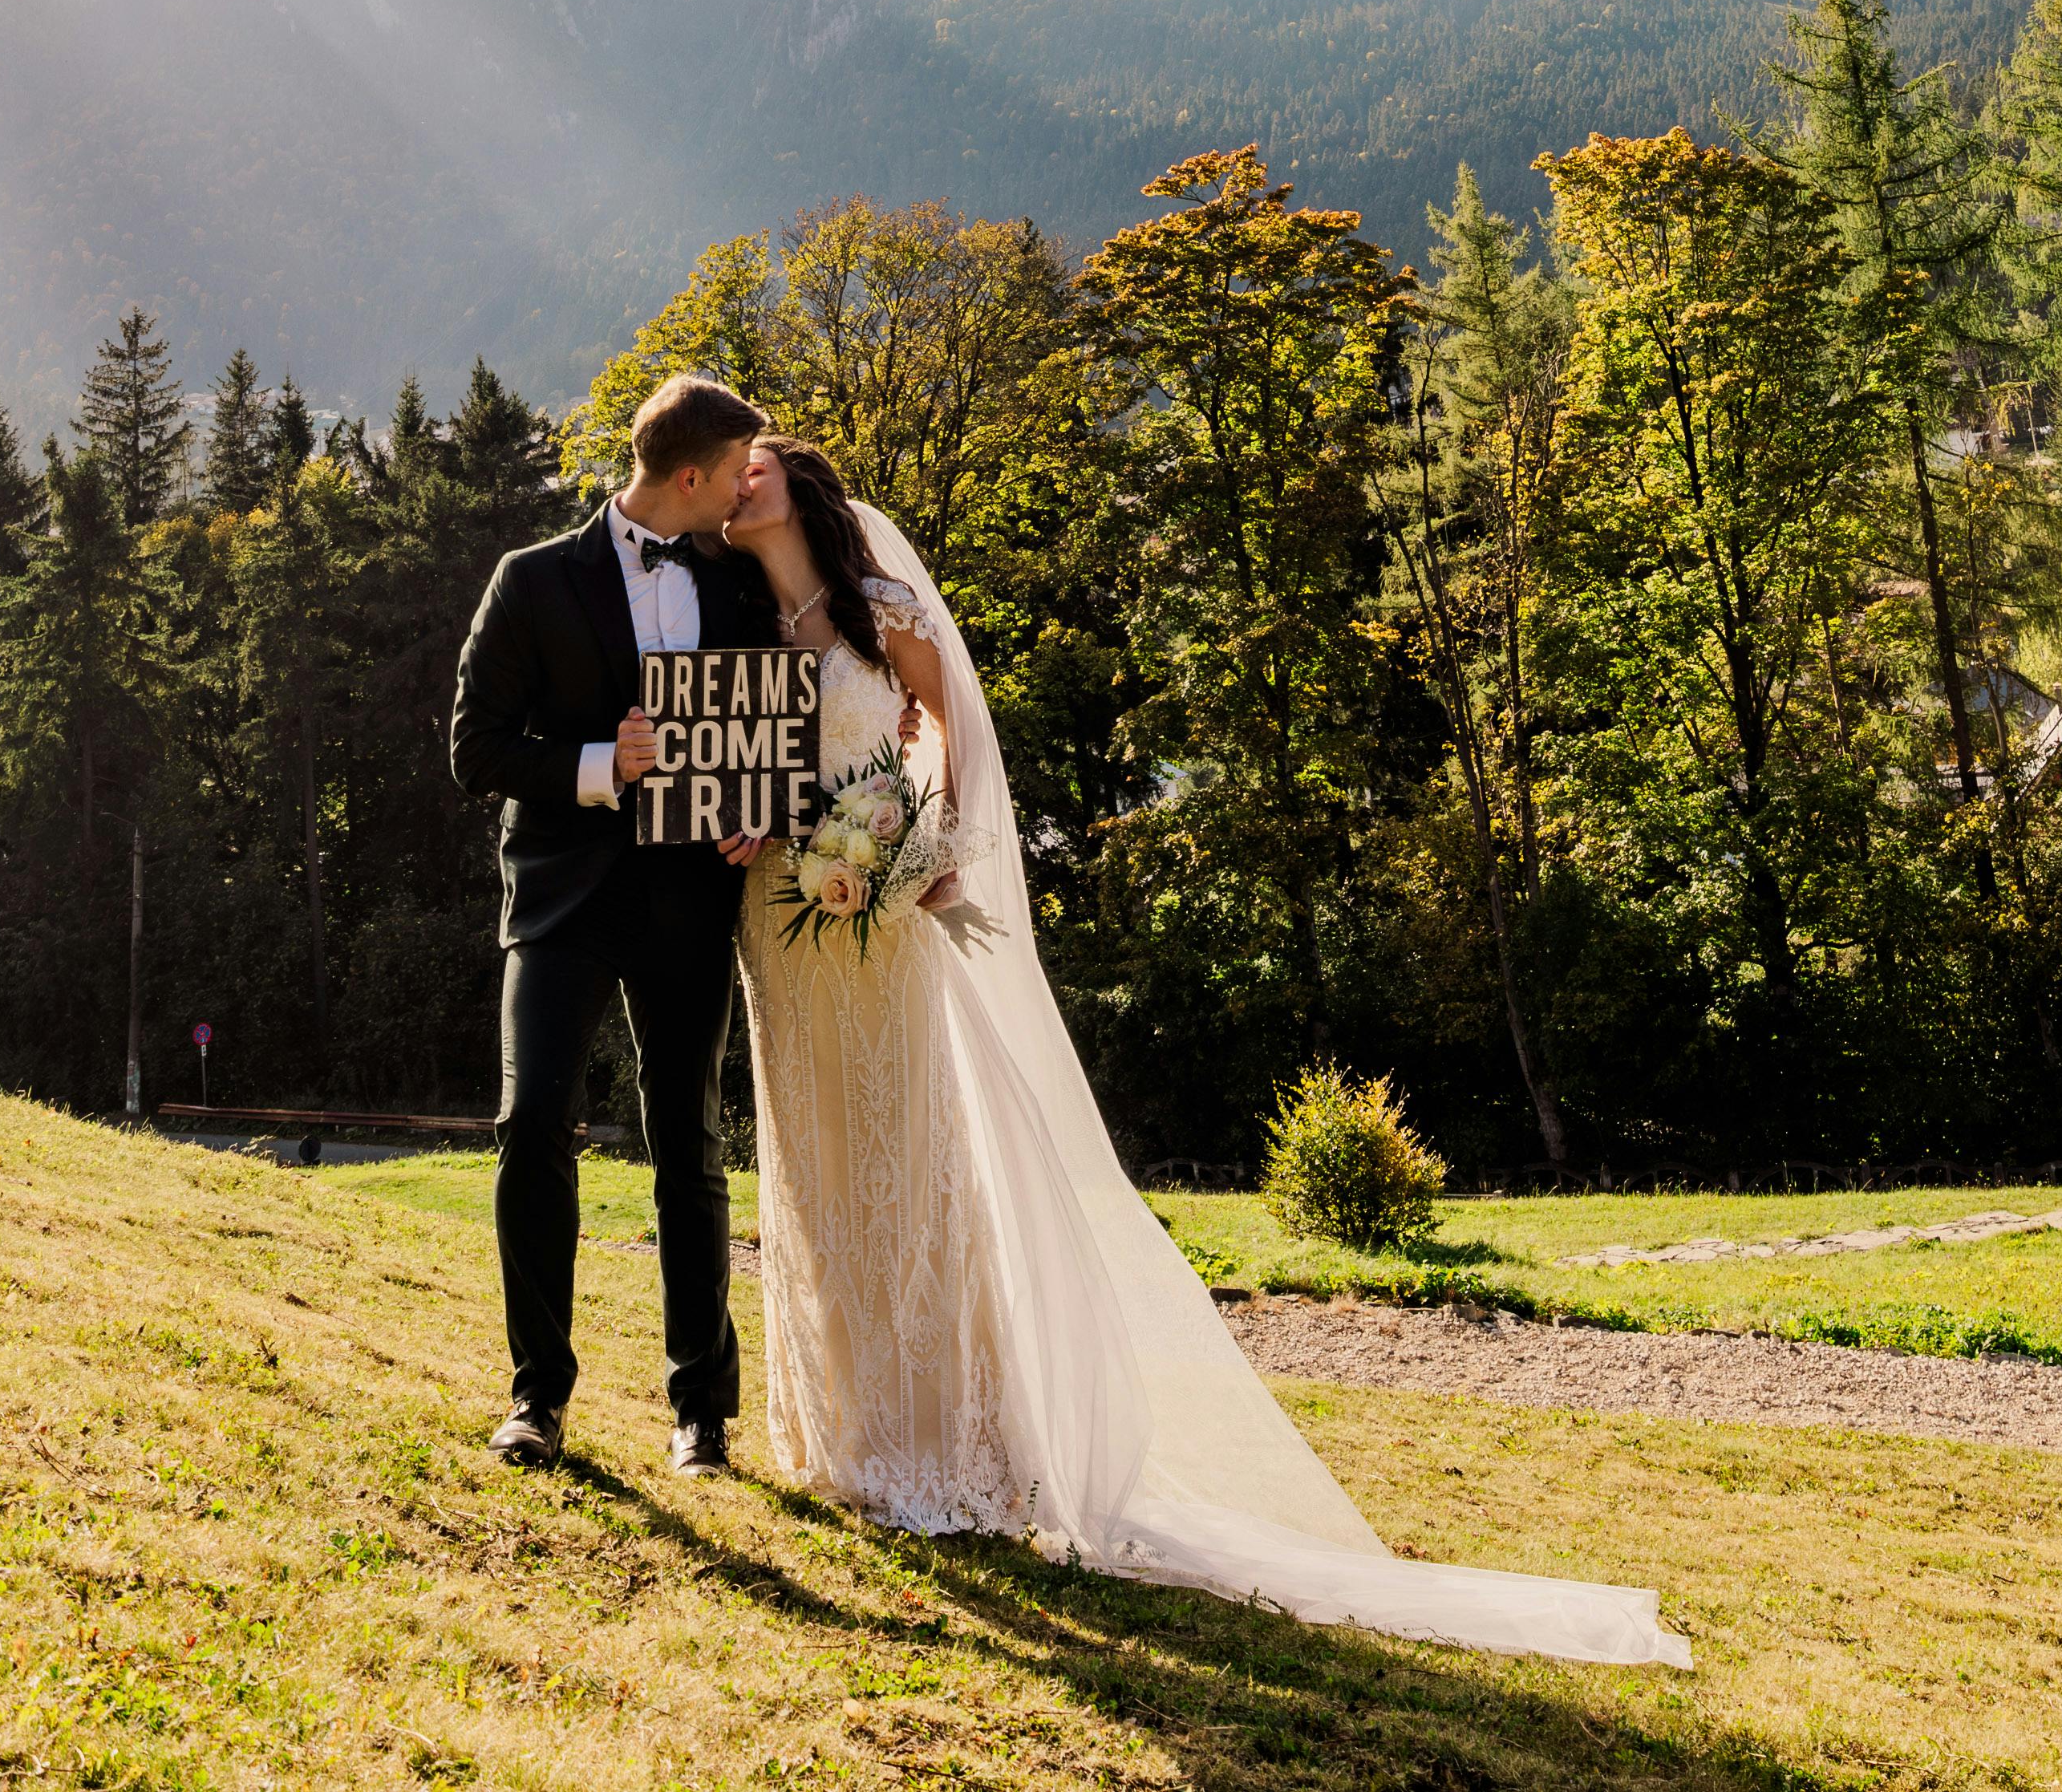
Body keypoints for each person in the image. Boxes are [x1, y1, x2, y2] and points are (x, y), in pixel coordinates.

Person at [708, 428, 1685, 1668]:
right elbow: (742, 770)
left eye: (753, 469)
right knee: (819, 1163)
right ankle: (846, 1437)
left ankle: (945, 1448)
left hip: (881, 921)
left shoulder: (879, 610)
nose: (734, 484)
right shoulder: (736, 626)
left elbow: (950, 739)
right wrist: (755, 827)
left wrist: (913, 845)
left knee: (912, 1165)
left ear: (799, 488)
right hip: (782, 934)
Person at [447, 371, 779, 1474]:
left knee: (688, 1141)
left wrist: (762, 811)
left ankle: (702, 1414)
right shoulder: (531, 581)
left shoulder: (739, 585)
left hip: (691, 898)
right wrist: (600, 765)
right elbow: (474, 750)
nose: (745, 488)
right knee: (530, 1121)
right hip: (562, 901)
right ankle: (537, 1398)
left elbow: (784, 727)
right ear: (689, 476)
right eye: (736, 471)